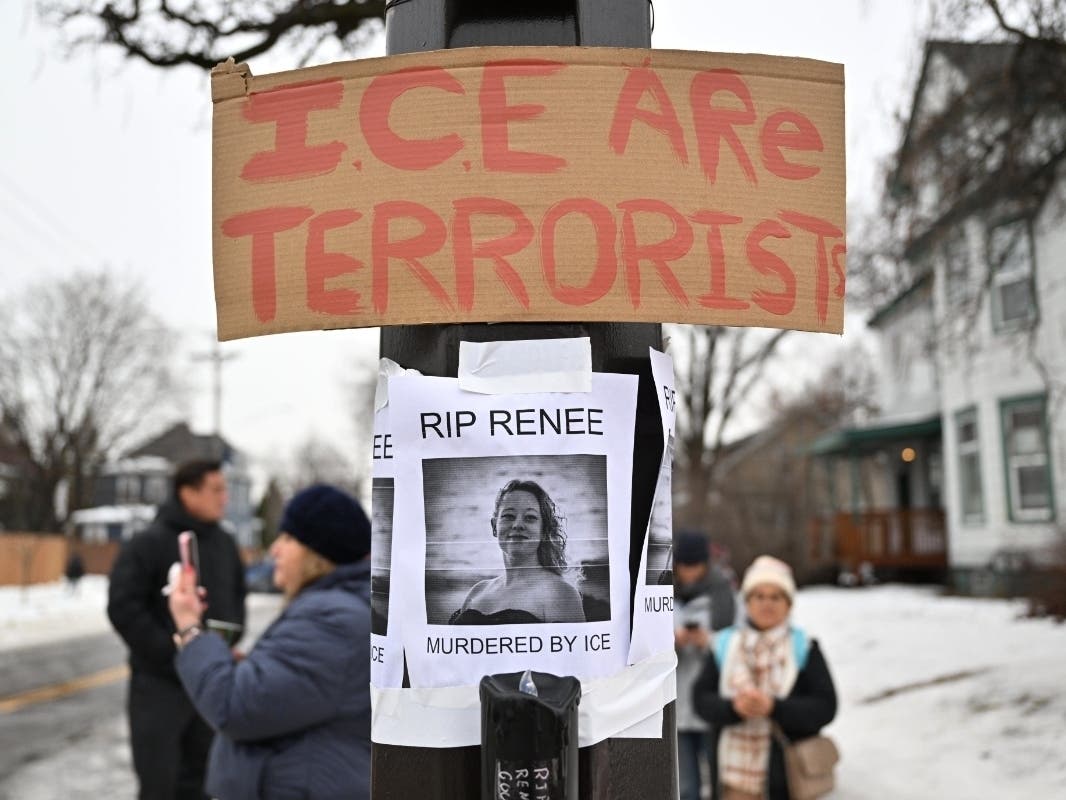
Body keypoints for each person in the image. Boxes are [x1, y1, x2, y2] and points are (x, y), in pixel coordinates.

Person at [168, 484, 372, 800]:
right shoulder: (334, 610)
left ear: (317, 553)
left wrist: (189, 628)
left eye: (288, 538)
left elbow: (233, 706)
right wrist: (247, 668)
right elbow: (289, 694)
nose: (275, 549)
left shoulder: (332, 620)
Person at [107, 459, 246, 800]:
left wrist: (227, 642)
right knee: (160, 784)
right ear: (188, 492)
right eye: (216, 489)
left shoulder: (225, 543)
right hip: (159, 687)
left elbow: (237, 598)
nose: (224, 497)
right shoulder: (148, 543)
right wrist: (176, 653)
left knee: (203, 783)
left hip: (210, 687)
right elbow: (123, 607)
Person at [693, 555, 837, 800]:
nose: (766, 604)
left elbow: (826, 707)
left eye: (775, 597)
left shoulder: (804, 647)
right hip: (732, 782)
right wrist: (733, 708)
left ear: (788, 604)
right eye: (759, 596)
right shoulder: (725, 644)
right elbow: (701, 699)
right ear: (747, 602)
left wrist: (774, 708)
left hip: (786, 782)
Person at [450, 479, 585, 625]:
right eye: (509, 516)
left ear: (544, 531)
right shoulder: (477, 591)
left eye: (530, 518)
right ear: (494, 527)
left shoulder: (561, 594)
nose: (518, 525)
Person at [673, 529, 736, 800]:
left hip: (714, 703)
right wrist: (672, 642)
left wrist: (708, 641)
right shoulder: (662, 594)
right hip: (676, 705)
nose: (688, 572)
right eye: (683, 565)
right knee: (686, 787)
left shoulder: (724, 595)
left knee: (720, 782)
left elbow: (739, 640)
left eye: (694, 564)